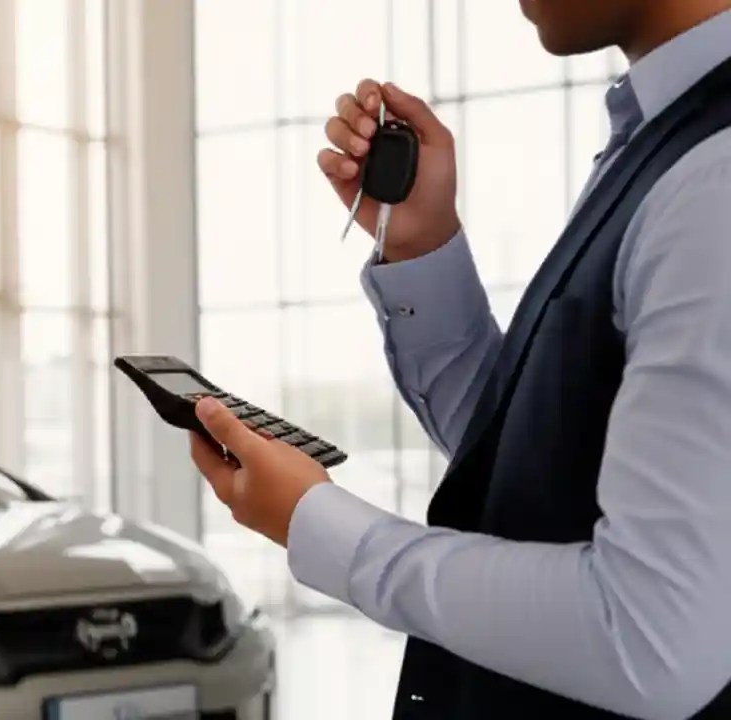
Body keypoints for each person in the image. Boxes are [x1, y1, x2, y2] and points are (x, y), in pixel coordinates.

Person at [190, 2, 731, 719]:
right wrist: (421, 243)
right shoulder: (671, 141)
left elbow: (650, 637)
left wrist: (315, 523)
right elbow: (542, 467)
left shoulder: (714, 179)